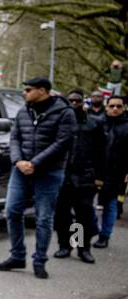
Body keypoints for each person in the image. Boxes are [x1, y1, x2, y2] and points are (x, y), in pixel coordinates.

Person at [0, 76, 74, 279]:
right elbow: (14, 138)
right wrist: (18, 161)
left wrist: (35, 163)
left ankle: (39, 261)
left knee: (44, 218)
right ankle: (17, 256)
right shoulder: (24, 111)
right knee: (11, 211)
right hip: (21, 170)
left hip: (49, 172)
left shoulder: (65, 113)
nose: (24, 93)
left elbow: (62, 142)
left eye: (28, 90)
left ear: (42, 91)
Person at [52, 91, 105, 263]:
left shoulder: (94, 124)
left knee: (83, 213)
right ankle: (64, 245)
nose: (74, 103)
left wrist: (99, 176)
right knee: (62, 213)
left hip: (85, 175)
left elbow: (101, 152)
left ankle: (82, 248)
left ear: (83, 102)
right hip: (64, 173)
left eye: (78, 100)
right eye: (71, 100)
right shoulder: (61, 122)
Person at [96, 94, 128, 247]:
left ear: (124, 108)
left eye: (119, 106)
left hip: (116, 172)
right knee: (82, 205)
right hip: (93, 171)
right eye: (112, 106)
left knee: (110, 205)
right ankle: (79, 239)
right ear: (106, 107)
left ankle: (104, 236)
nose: (115, 109)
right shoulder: (97, 124)